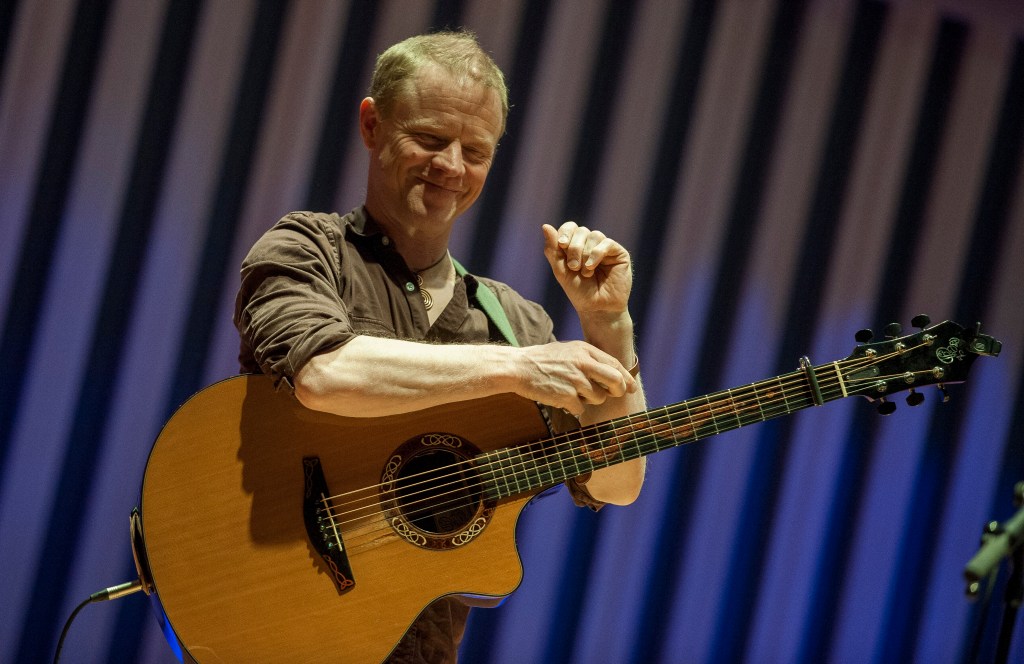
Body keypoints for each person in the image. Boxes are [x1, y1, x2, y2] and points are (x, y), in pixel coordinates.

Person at [233, 29, 646, 663]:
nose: (452, 166)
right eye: (429, 139)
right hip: (278, 629)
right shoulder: (306, 249)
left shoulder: (515, 320)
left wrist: (608, 324)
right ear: (372, 125)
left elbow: (616, 483)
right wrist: (516, 369)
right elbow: (323, 373)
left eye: (475, 150)